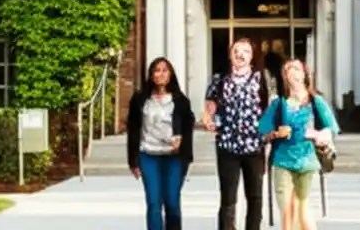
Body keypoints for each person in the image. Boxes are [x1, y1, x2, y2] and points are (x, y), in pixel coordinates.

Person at [259, 59, 340, 230]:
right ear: (285, 76)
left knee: (302, 209)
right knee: (287, 211)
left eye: (296, 68)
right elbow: (263, 129)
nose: (292, 72)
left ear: (304, 74)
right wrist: (275, 133)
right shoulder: (278, 104)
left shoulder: (315, 101)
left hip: (307, 161)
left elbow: (331, 128)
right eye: (288, 69)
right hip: (282, 161)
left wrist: (318, 135)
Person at [203, 37, 269, 230]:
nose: (240, 54)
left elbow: (270, 109)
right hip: (227, 146)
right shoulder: (219, 80)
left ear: (252, 56)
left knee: (255, 196)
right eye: (236, 50)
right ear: (230, 54)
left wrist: (270, 136)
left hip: (254, 146)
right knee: (228, 197)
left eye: (246, 51)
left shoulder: (262, 79)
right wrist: (209, 118)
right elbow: (210, 107)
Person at [127, 56, 195, 230]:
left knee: (172, 202)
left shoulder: (180, 100)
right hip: (148, 155)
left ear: (171, 74)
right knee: (153, 203)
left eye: (165, 70)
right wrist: (132, 160)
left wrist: (186, 153)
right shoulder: (140, 99)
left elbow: (188, 127)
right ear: (151, 75)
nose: (161, 74)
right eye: (157, 70)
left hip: (174, 157)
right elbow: (133, 128)